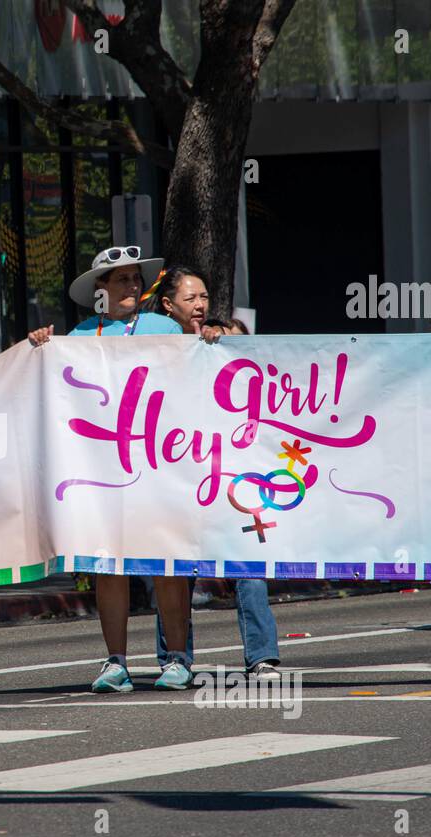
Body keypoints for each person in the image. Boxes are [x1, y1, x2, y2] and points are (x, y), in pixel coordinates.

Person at [29, 247, 220, 693]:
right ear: (102, 289)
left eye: (136, 279)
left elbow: (194, 374)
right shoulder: (77, 335)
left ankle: (178, 659)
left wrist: (207, 339)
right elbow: (44, 383)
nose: (132, 286)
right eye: (121, 280)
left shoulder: (161, 327)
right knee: (108, 566)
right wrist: (40, 346)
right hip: (102, 466)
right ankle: (115, 663)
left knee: (167, 564)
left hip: (158, 461)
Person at [154, 268, 283, 678]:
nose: (200, 305)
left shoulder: (220, 339)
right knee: (174, 570)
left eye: (204, 297)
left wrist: (224, 342)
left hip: (228, 476)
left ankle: (261, 655)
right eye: (191, 298)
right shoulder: (153, 348)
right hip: (177, 476)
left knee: (246, 563)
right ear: (168, 305)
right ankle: (175, 659)